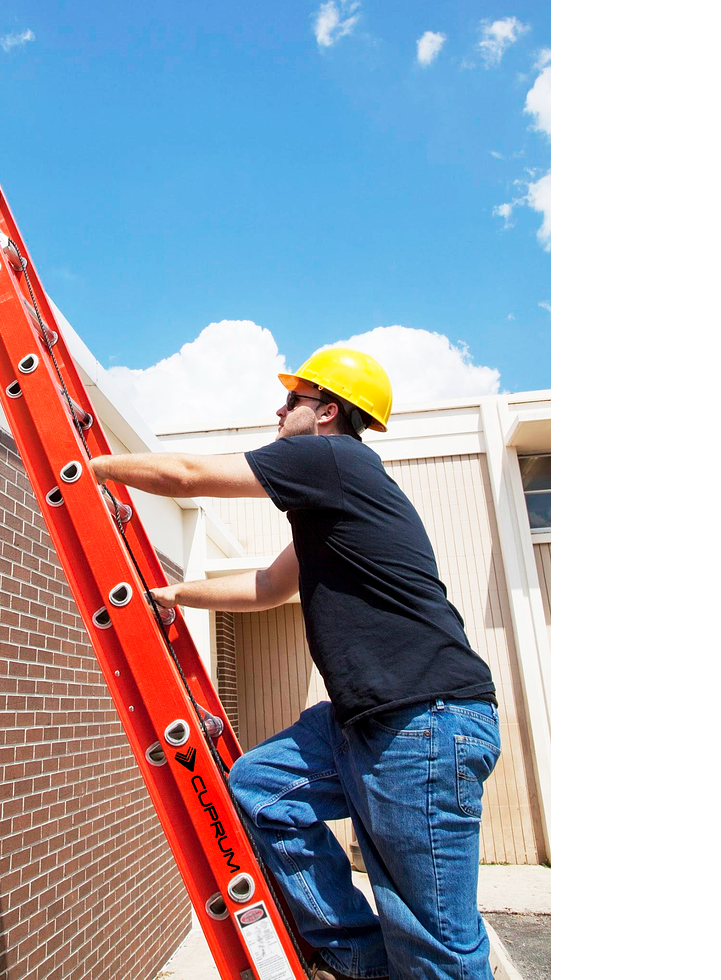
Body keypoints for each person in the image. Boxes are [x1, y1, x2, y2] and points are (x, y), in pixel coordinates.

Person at [88, 346, 500, 980]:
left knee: (434, 943)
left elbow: (187, 473)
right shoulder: (331, 502)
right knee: (260, 789)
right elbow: (268, 586)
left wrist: (90, 468)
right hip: (365, 719)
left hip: (424, 717)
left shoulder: (333, 458)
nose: (280, 409)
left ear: (327, 412)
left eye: (294, 400)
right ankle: (362, 962)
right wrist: (173, 596)